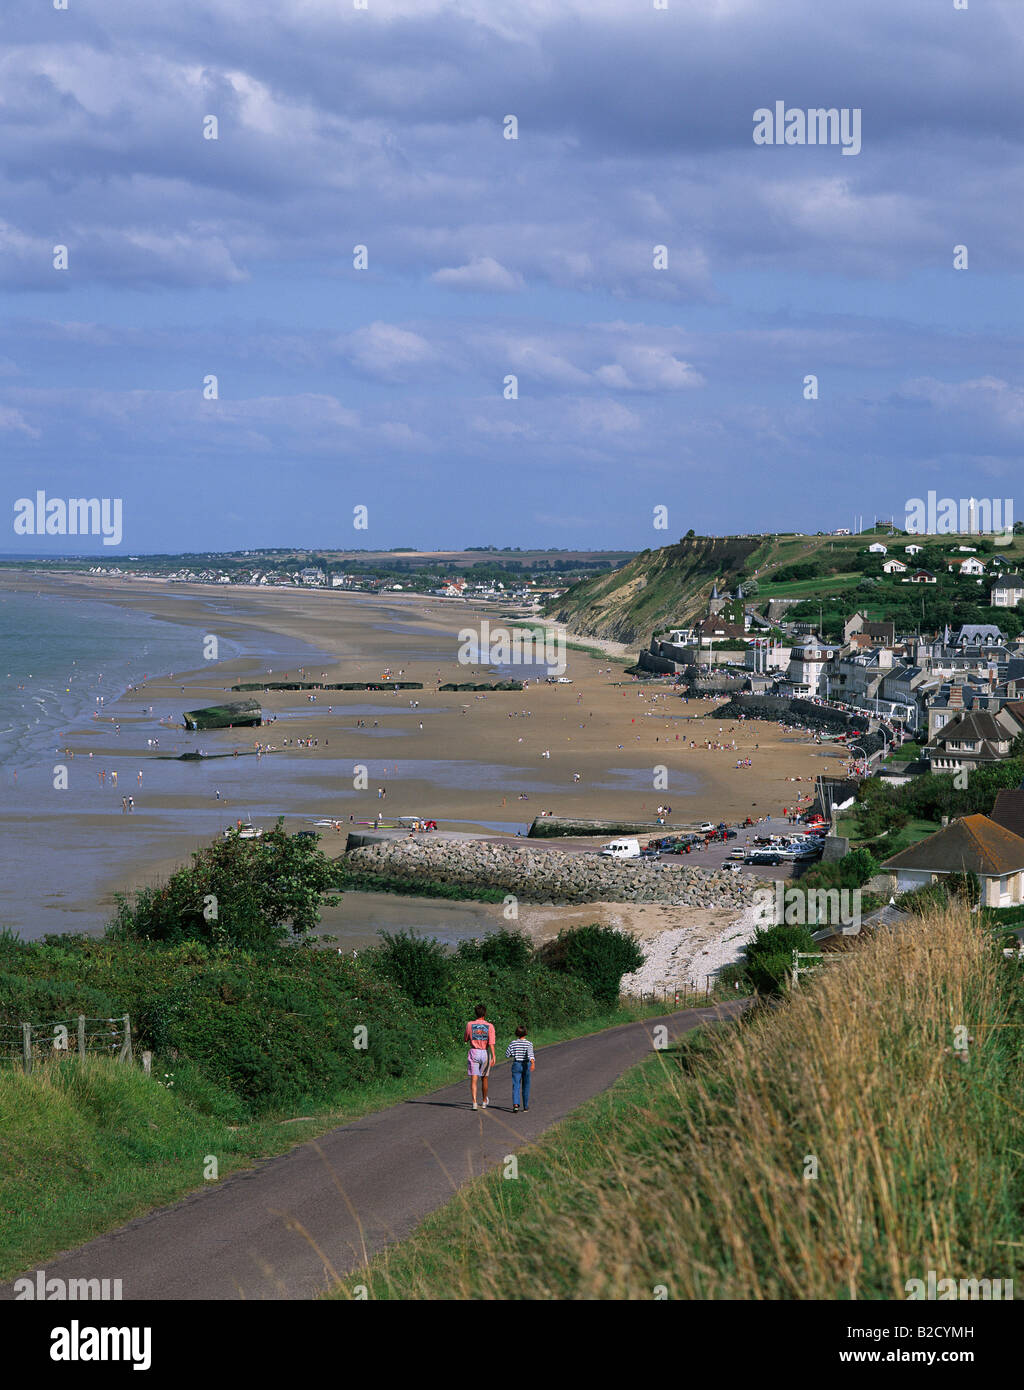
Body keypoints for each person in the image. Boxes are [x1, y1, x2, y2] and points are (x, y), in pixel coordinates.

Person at [464, 1004, 496, 1110]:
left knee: (474, 1078)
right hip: (485, 1053)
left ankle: (474, 1102)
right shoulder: (490, 1026)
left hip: (474, 1052)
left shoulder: (470, 1024)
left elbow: (466, 1038)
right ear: (485, 1013)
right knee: (484, 1078)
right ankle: (484, 1101)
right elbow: (491, 1042)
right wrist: (494, 1055)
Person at [506, 1026, 535, 1112]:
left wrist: (514, 1053)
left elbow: (507, 1054)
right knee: (526, 1085)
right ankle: (525, 1106)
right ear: (526, 1033)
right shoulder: (529, 1043)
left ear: (516, 1033)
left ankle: (515, 1104)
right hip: (526, 1064)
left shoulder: (513, 1043)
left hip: (516, 1064)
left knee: (516, 1084)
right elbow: (530, 1054)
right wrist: (533, 1063)